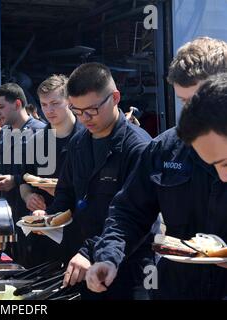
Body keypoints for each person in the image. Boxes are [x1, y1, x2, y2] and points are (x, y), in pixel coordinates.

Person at [85, 37, 227, 300]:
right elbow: (129, 211)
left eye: (200, 100)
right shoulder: (165, 148)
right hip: (177, 290)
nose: (193, 113)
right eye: (186, 103)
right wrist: (107, 257)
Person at [32, 64, 154, 300]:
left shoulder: (138, 148)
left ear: (115, 98)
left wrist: (92, 251)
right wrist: (49, 217)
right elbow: (66, 193)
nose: (84, 118)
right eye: (77, 112)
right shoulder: (79, 143)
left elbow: (135, 218)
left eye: (92, 110)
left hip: (129, 268)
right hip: (83, 263)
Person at [19, 75, 84, 267]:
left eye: (55, 103)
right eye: (44, 104)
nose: (49, 110)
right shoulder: (36, 141)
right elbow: (24, 180)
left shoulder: (86, 137)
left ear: (70, 101)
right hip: (43, 232)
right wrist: (29, 197)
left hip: (80, 232)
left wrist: (63, 191)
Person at [0, 83, 46, 264]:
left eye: (1, 107)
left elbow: (45, 175)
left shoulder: (41, 132)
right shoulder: (4, 133)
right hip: (9, 213)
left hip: (33, 214)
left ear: (18, 104)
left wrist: (16, 180)